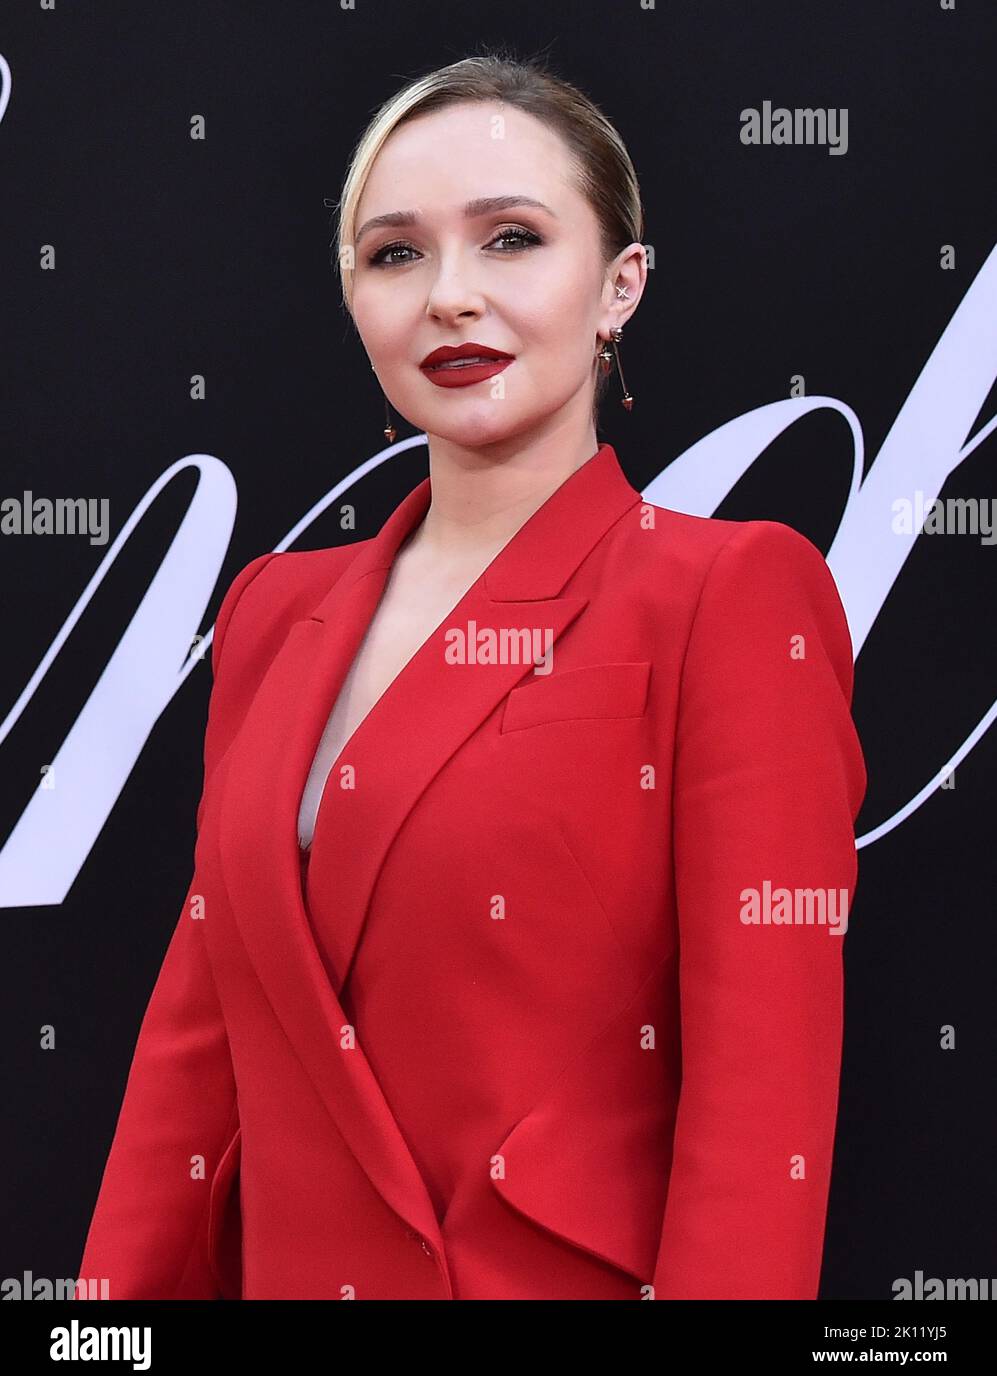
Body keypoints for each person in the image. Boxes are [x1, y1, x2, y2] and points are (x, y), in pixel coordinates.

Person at [76, 50, 866, 1301]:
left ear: (620, 285)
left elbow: (762, 1099)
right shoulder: (276, 613)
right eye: (395, 254)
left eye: (510, 239)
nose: (450, 296)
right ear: (354, 302)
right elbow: (197, 1051)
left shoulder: (728, 594)